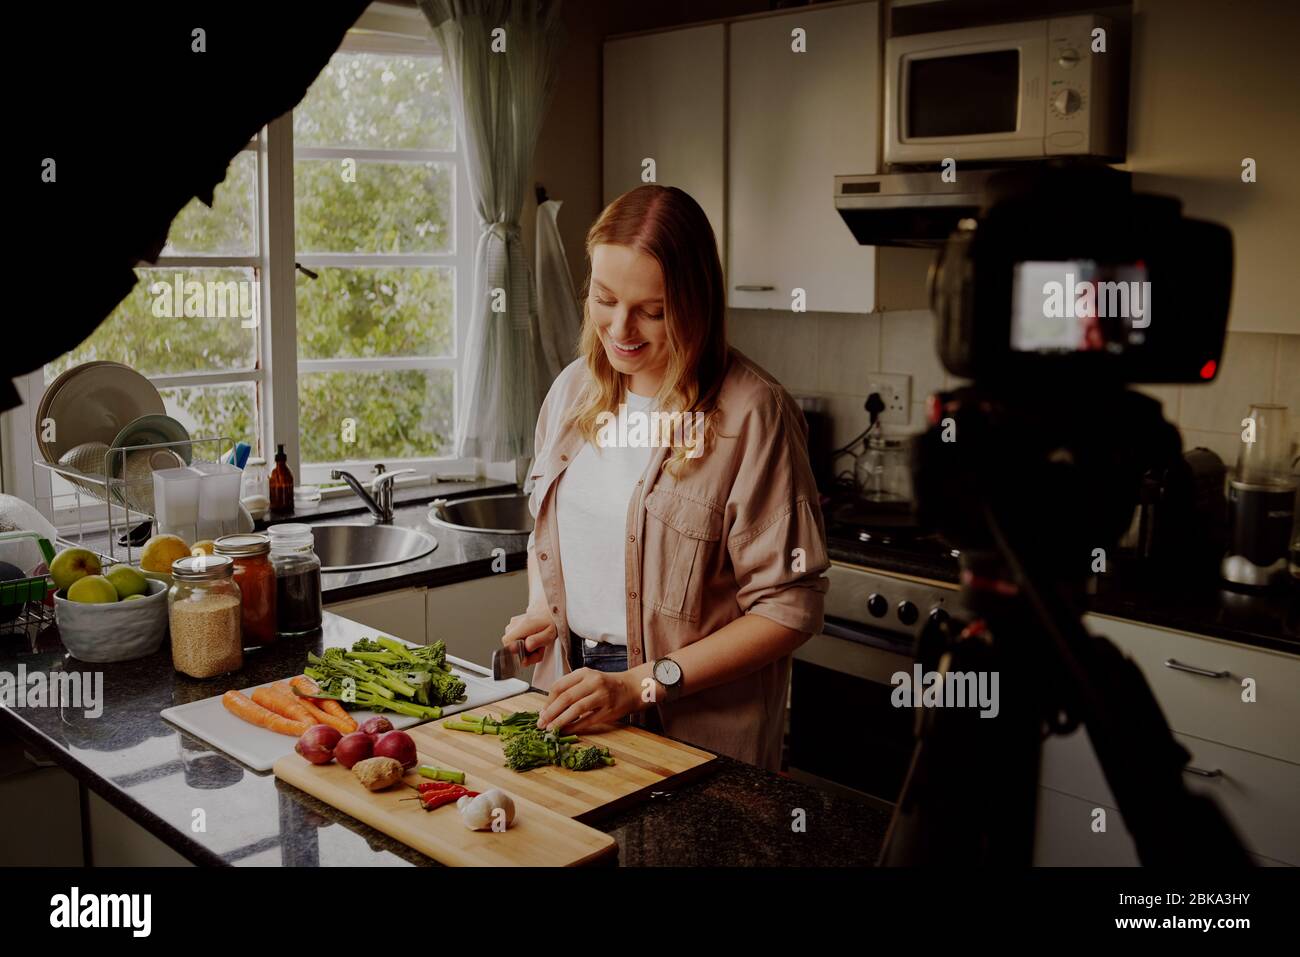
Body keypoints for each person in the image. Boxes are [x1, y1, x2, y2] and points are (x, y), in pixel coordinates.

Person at [502, 184, 828, 769]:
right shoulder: (573, 389)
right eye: (604, 298)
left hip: (695, 725)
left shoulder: (754, 415)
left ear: (695, 302)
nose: (621, 328)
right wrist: (541, 609)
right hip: (571, 695)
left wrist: (642, 684)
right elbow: (546, 533)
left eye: (652, 311)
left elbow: (788, 609)